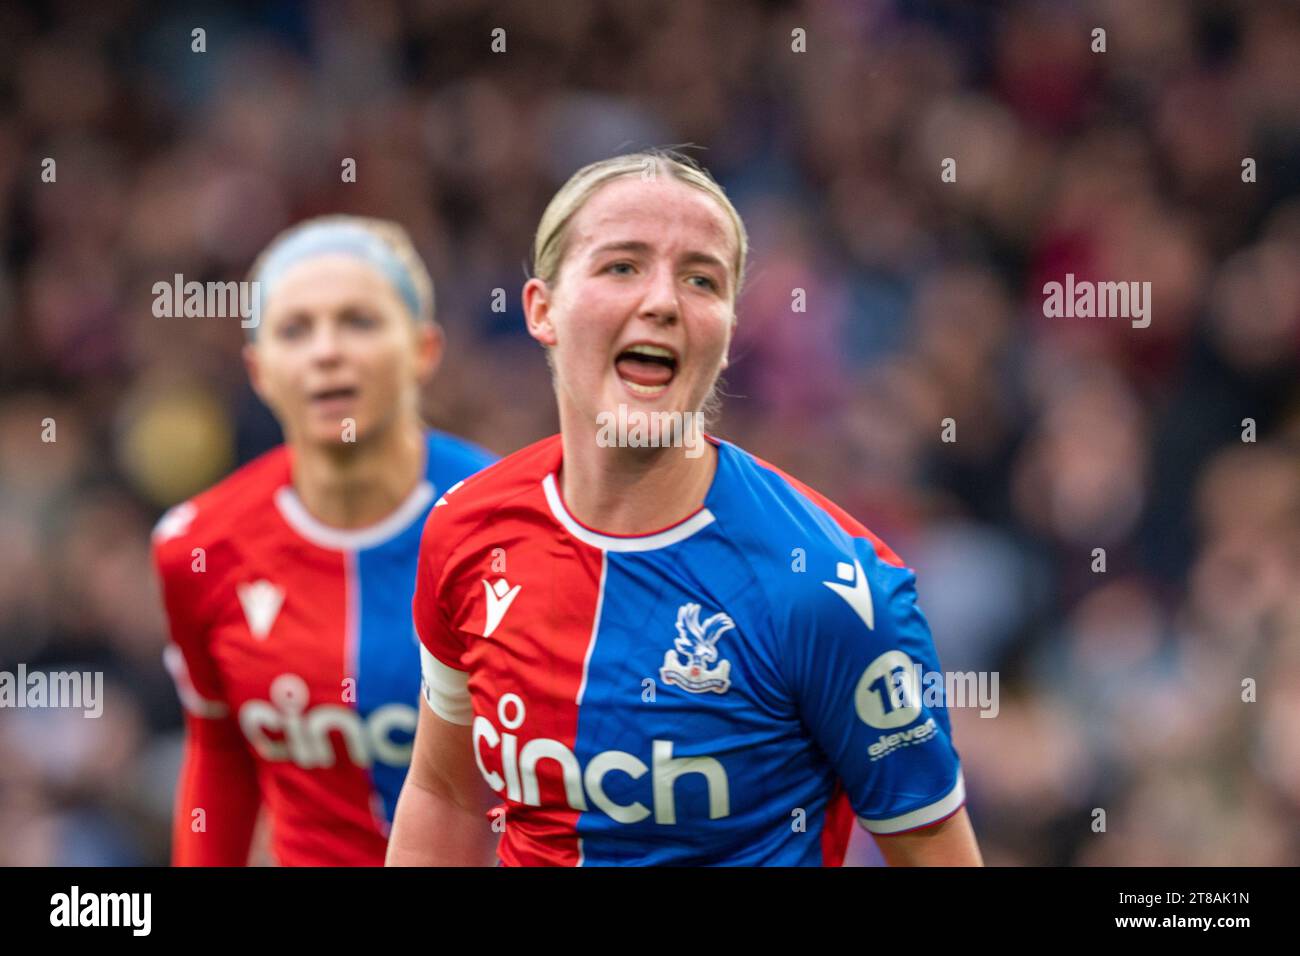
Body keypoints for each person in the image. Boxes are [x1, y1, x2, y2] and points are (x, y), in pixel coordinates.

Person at [387, 151, 982, 866]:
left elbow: (932, 851)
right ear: (542, 310)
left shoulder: (831, 590)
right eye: (622, 267)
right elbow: (447, 793)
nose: (663, 302)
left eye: (701, 279)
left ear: (727, 332)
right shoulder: (464, 532)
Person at [152, 215, 495, 865]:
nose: (326, 351)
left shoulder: (510, 525)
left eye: (359, 322)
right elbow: (219, 749)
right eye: (294, 330)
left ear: (424, 349)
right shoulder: (195, 547)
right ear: (259, 370)